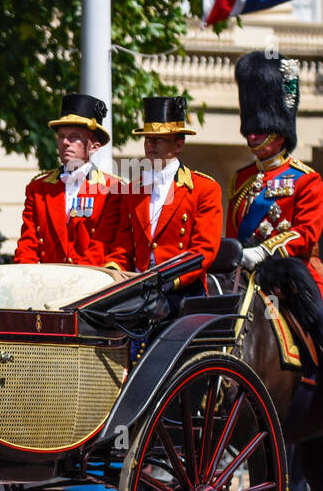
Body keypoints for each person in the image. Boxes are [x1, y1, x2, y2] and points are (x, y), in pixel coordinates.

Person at [102, 96, 223, 308]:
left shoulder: (204, 189)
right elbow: (122, 247)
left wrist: (166, 281)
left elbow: (204, 251)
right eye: (147, 139)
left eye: (158, 139)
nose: (150, 144)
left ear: (178, 144)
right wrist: (112, 274)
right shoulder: (132, 191)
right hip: (136, 288)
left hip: (182, 289)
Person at [226, 50, 323, 294]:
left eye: (259, 130)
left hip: (290, 276)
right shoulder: (241, 179)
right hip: (242, 276)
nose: (252, 135)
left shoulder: (307, 180)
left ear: (279, 133)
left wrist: (263, 250)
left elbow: (305, 234)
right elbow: (232, 235)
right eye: (250, 129)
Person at [15, 93, 121, 265]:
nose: (65, 142)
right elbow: (27, 245)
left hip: (92, 285)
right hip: (45, 284)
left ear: (94, 146)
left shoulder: (112, 190)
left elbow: (101, 247)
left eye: (74, 137)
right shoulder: (38, 188)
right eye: (61, 136)